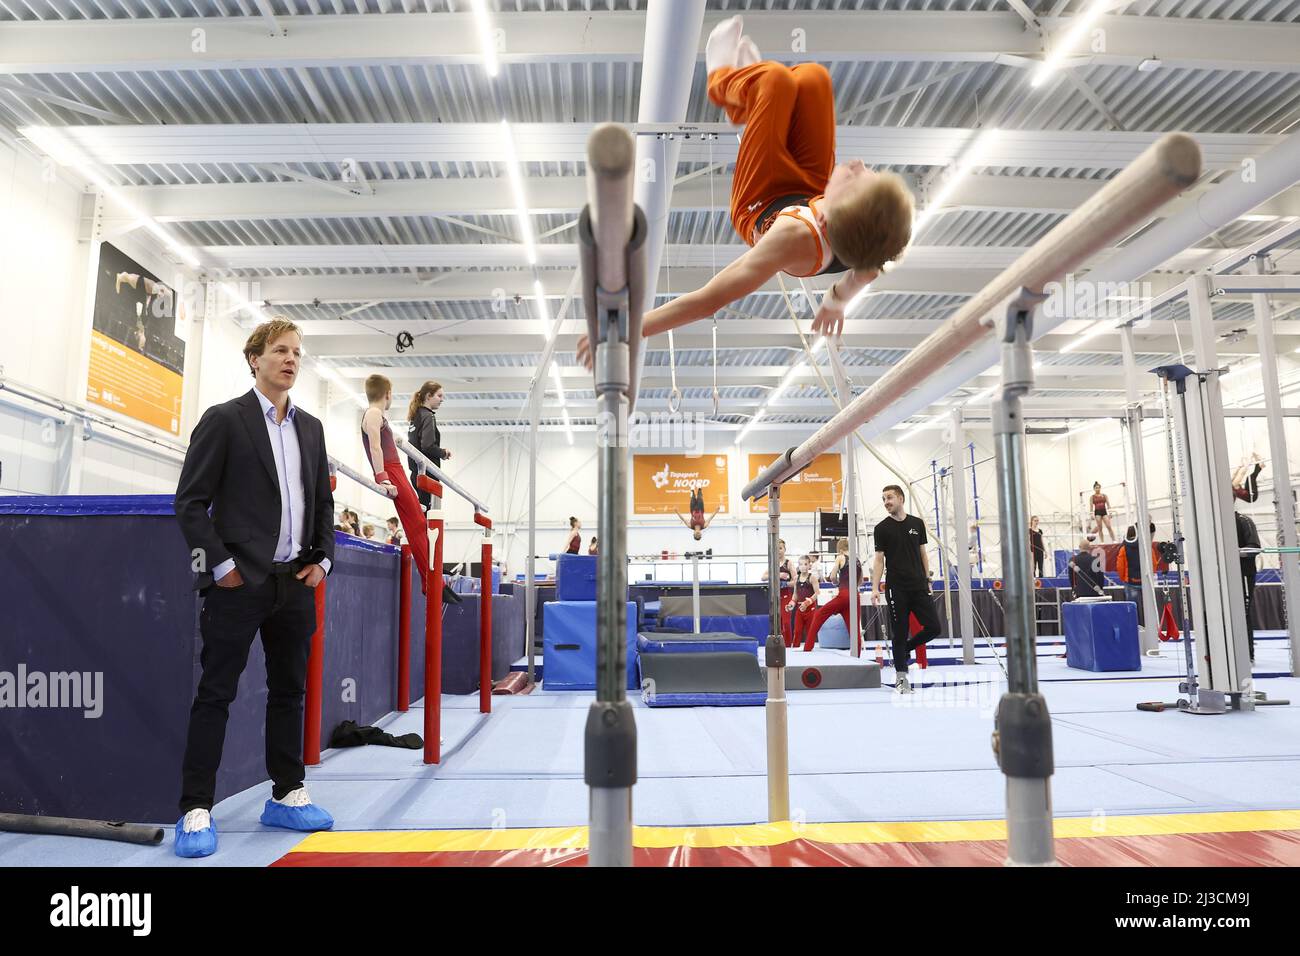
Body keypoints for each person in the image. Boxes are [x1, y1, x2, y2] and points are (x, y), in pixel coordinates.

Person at [577, 16, 913, 371]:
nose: (858, 163)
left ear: (830, 213)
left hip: (762, 201)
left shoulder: (791, 239)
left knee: (775, 82)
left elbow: (709, 300)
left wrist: (629, 329)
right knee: (814, 79)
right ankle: (751, 103)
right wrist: (835, 301)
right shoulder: (877, 243)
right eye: (869, 171)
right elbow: (868, 272)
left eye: (856, 175)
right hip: (810, 189)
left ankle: (722, 81)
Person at [172, 317, 336, 859]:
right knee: (215, 694)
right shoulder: (225, 420)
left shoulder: (310, 428)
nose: (291, 360)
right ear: (255, 359)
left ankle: (287, 793)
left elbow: (323, 504)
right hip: (238, 584)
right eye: (281, 351)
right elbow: (190, 503)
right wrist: (219, 566)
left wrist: (324, 560)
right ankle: (196, 808)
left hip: (296, 582)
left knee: (290, 692)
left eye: (297, 353)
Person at [362, 374, 431, 593]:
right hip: (391, 470)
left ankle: (429, 578)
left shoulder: (378, 415)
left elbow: (381, 441)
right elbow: (375, 446)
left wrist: (395, 440)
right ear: (388, 394)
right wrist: (382, 477)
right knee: (417, 524)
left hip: (395, 468)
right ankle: (429, 581)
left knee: (418, 522)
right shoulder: (373, 413)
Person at [872, 485, 941, 694]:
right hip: (896, 588)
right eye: (883, 499)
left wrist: (928, 578)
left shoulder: (917, 524)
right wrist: (875, 587)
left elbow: (923, 554)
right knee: (899, 633)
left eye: (890, 497)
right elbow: (879, 560)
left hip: (919, 585)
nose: (886, 502)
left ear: (901, 498)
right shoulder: (881, 528)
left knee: (933, 628)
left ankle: (904, 651)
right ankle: (902, 679)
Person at [803, 537, 860, 654]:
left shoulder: (840, 557)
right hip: (855, 596)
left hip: (844, 594)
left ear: (839, 549)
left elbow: (833, 576)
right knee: (854, 630)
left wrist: (836, 582)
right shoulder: (857, 559)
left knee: (819, 614)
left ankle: (807, 648)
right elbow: (860, 582)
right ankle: (856, 656)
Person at [407, 380, 451, 511]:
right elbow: (427, 446)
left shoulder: (416, 416)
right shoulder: (428, 416)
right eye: (439, 396)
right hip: (427, 474)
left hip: (416, 472)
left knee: (423, 511)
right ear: (428, 396)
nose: (442, 400)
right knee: (428, 515)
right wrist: (443, 453)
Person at [1236, 509, 1261, 664]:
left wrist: (1234, 552)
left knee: (1243, 613)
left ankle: (1247, 654)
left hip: (1243, 574)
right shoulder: (1210, 522)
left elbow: (1254, 547)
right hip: (1219, 575)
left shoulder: (1243, 521)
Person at [761, 538, 796, 646]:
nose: (779, 551)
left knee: (786, 621)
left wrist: (785, 584)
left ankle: (788, 644)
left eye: (781, 548)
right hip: (775, 595)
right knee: (777, 622)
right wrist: (778, 575)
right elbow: (763, 577)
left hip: (786, 595)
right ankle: (779, 644)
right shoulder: (773, 563)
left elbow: (795, 580)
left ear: (784, 549)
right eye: (777, 549)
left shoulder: (788, 563)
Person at [789, 554, 821, 650]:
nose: (803, 566)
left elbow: (817, 593)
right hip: (800, 608)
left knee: (809, 630)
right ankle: (795, 648)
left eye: (805, 564)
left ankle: (808, 649)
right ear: (798, 566)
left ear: (809, 566)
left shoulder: (812, 578)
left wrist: (808, 602)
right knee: (797, 630)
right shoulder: (796, 578)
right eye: (801, 564)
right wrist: (791, 603)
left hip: (810, 608)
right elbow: (795, 594)